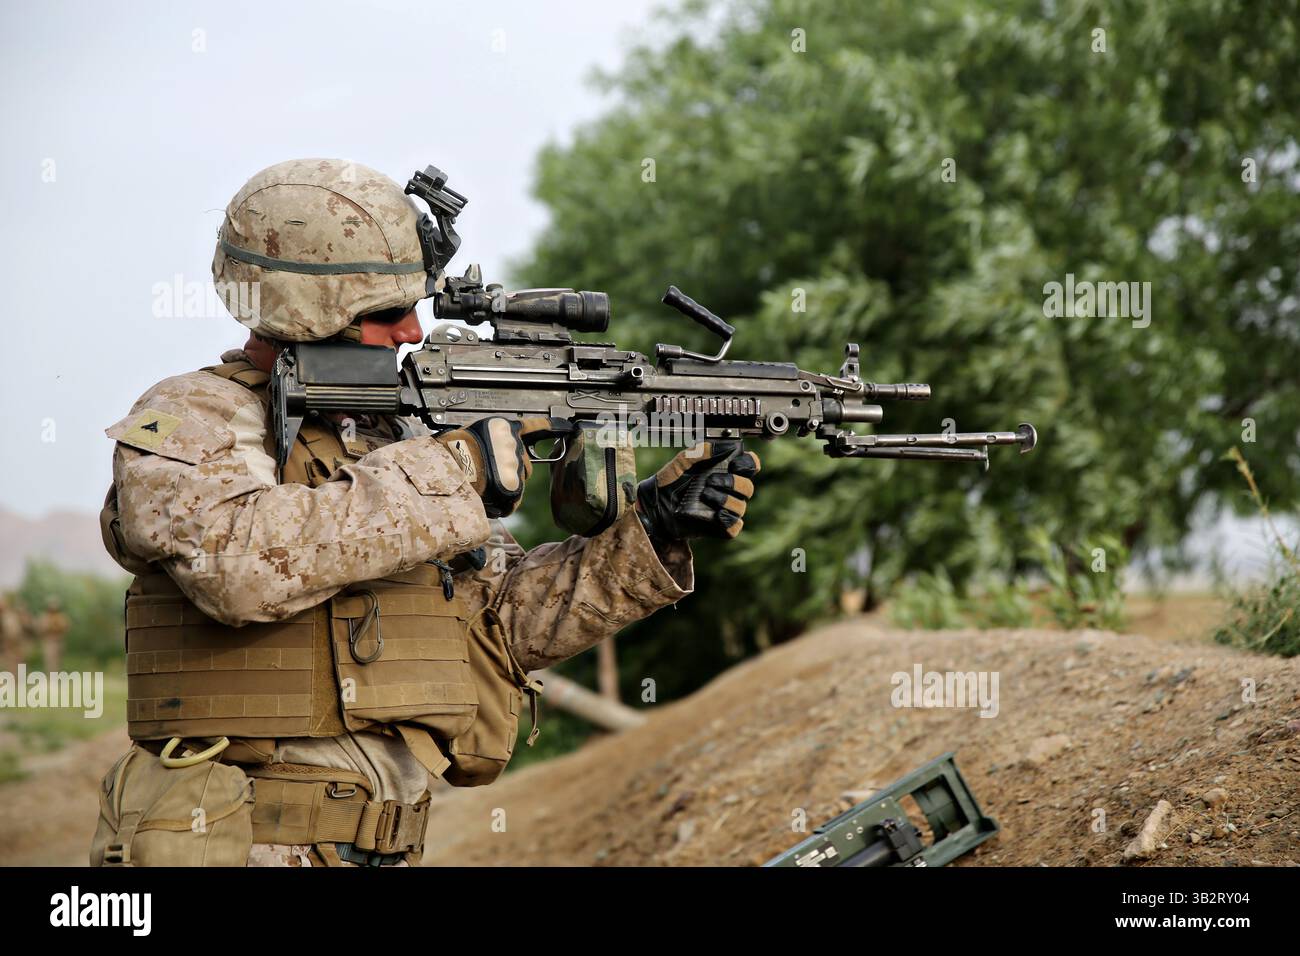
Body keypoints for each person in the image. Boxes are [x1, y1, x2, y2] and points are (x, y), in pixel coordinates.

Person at [91, 158, 760, 867]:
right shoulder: (195, 413)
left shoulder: (395, 441)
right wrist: (458, 470)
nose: (412, 330)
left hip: (379, 846)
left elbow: (498, 627)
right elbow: (236, 568)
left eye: (413, 304)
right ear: (304, 310)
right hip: (234, 844)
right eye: (385, 313)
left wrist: (649, 531)